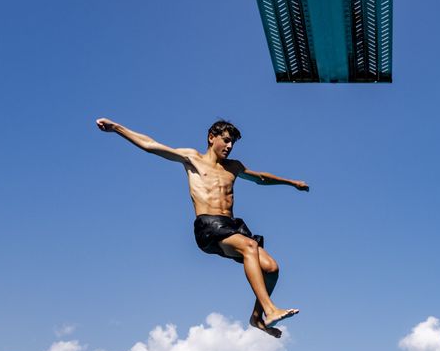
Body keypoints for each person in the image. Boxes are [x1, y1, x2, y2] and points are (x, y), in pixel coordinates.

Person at [95, 117, 309, 336]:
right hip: (208, 226)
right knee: (249, 247)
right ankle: (270, 309)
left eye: (232, 143)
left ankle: (257, 318)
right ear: (211, 138)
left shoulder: (233, 167)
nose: (229, 146)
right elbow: (151, 146)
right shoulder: (193, 158)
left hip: (232, 226)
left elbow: (261, 178)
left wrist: (291, 183)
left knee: (272, 268)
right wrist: (116, 128)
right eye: (225, 140)